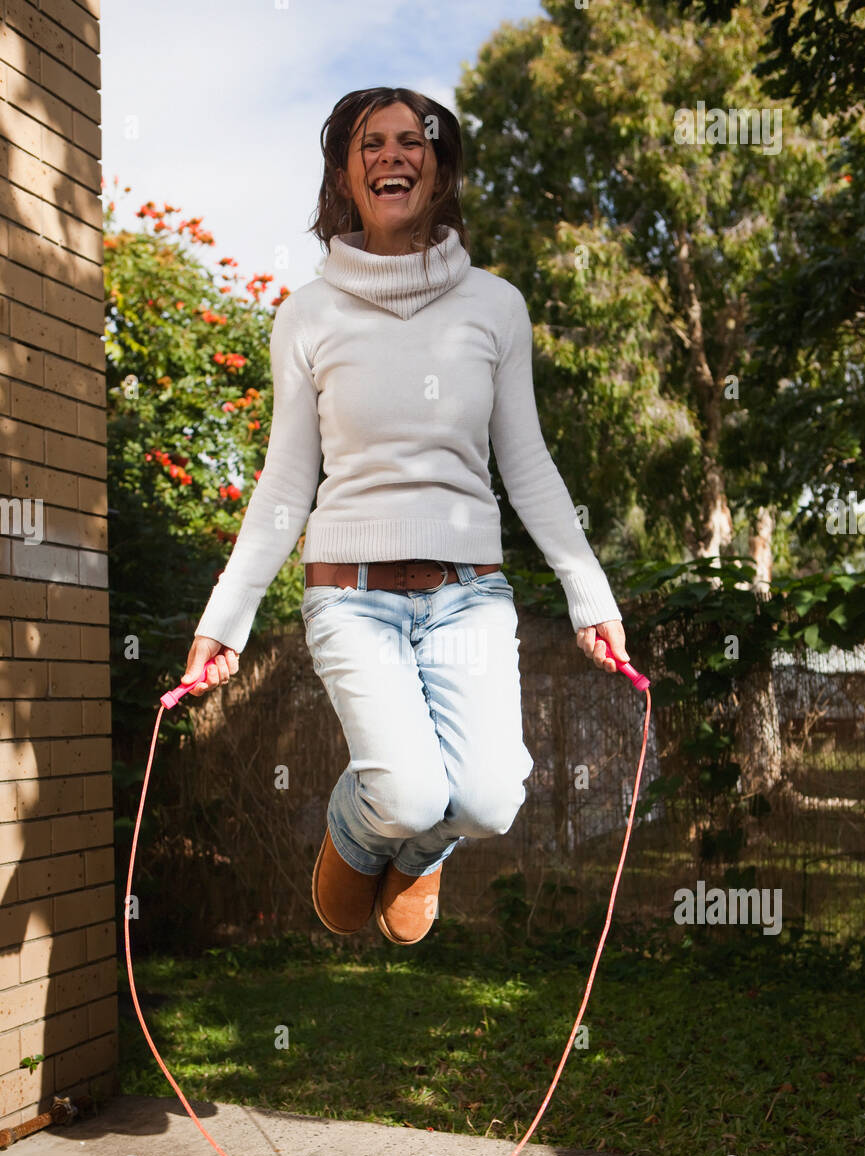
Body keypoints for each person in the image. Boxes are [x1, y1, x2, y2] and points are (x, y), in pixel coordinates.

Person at [181, 87, 631, 947]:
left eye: (413, 140)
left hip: (470, 594)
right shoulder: (306, 316)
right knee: (413, 792)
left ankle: (418, 856)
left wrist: (591, 595)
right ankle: (359, 832)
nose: (393, 153)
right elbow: (284, 486)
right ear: (346, 175)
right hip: (351, 597)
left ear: (441, 167)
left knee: (491, 802)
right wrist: (225, 621)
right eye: (370, 142)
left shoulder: (495, 307)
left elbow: (528, 464)